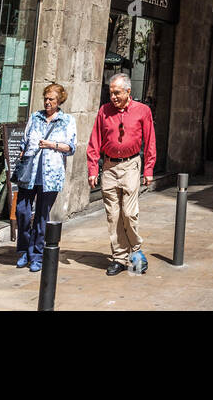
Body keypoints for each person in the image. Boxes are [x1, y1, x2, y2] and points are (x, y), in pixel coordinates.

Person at [87, 73, 157, 276]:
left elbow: (150, 141)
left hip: (131, 165)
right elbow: (94, 141)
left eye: (117, 93)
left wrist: (149, 169)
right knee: (113, 215)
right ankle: (119, 257)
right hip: (109, 166)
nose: (113, 97)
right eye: (111, 93)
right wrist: (93, 169)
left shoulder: (142, 111)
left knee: (129, 212)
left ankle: (135, 250)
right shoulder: (104, 111)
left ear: (128, 91)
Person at [15, 83, 76, 272]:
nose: (47, 102)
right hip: (30, 172)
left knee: (42, 215)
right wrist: (22, 153)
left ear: (59, 101)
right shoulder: (35, 117)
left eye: (51, 99)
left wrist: (51, 144)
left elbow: (71, 147)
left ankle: (36, 255)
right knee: (22, 211)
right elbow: (24, 141)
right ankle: (24, 249)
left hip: (51, 175)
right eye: (46, 98)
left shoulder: (66, 121)